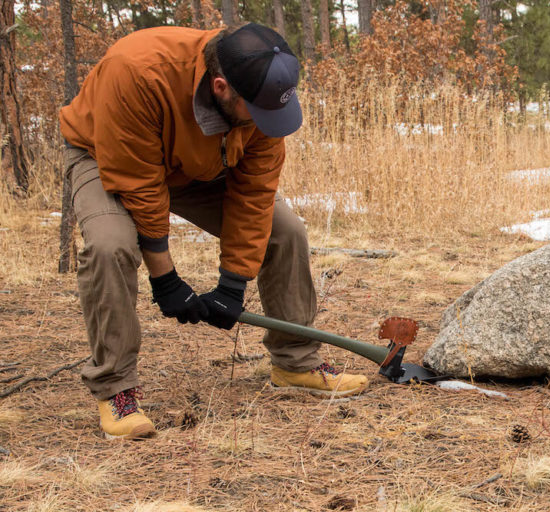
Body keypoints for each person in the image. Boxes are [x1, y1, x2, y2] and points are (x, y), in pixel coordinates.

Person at [59, 22, 368, 440]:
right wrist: (166, 280)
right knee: (109, 246)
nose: (265, 122)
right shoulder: (136, 71)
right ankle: (116, 389)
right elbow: (140, 188)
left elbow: (254, 194)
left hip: (199, 163)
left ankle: (295, 362)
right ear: (221, 87)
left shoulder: (260, 92)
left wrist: (232, 284)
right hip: (106, 152)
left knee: (286, 230)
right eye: (257, 114)